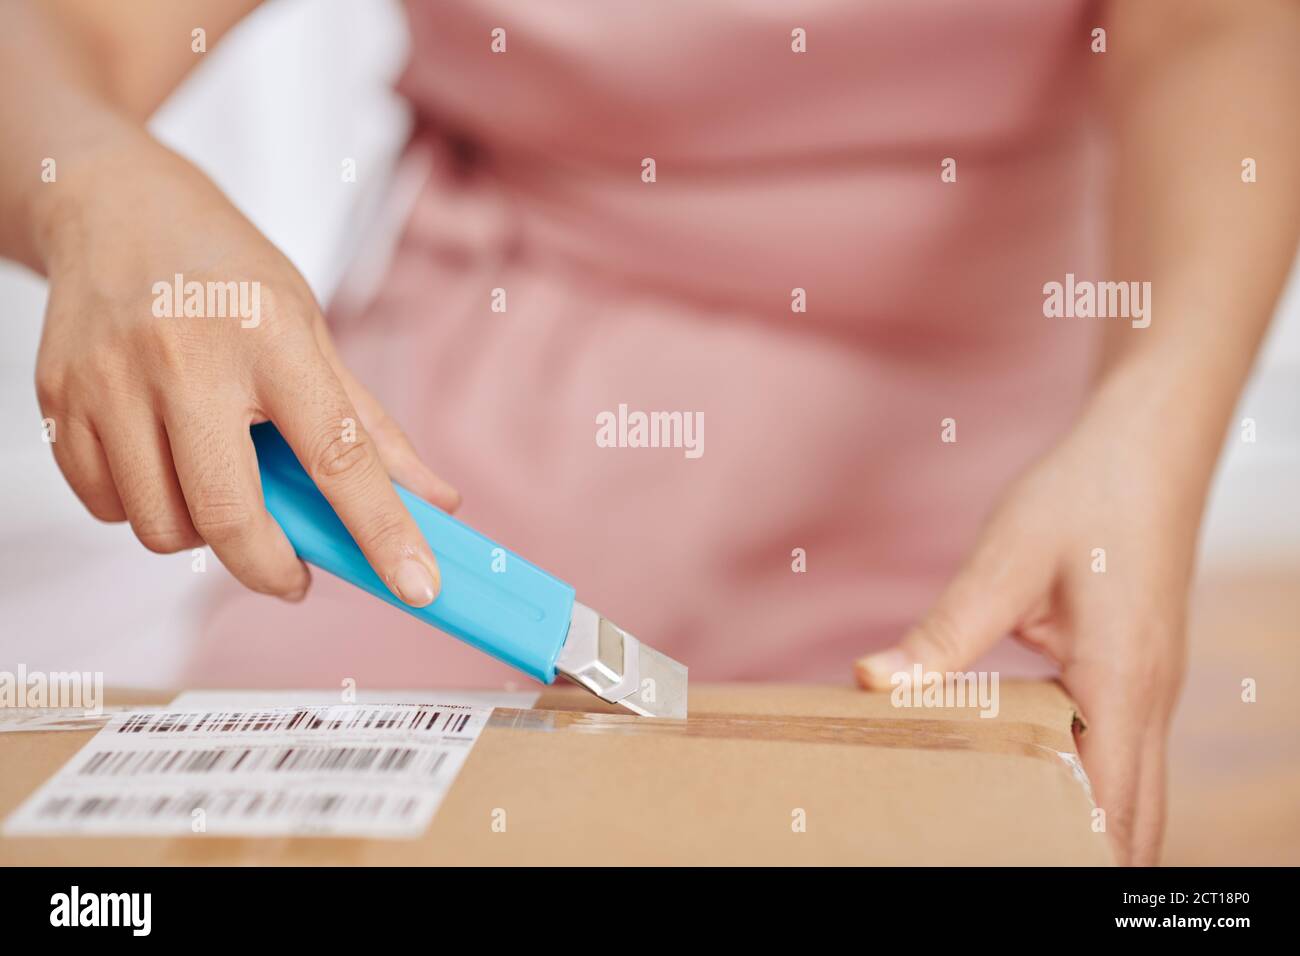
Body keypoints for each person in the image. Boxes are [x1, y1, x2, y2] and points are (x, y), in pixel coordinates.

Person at [2, 0, 1297, 866]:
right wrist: (97, 191)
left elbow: (1222, 34)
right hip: (441, 462)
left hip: (987, 497)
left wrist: (1155, 424)